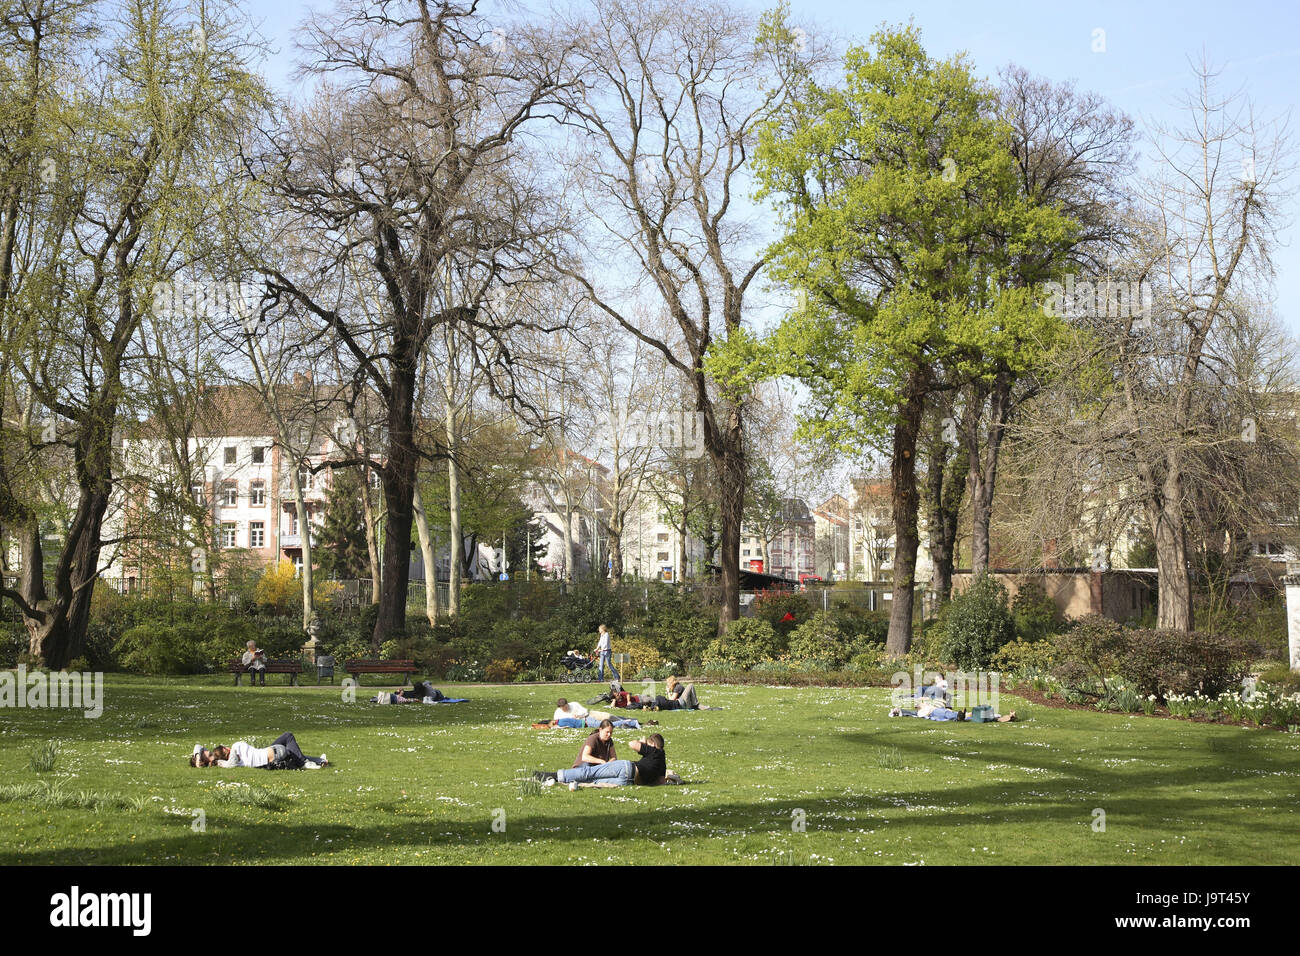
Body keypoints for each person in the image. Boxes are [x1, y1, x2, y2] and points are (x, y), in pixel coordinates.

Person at [534, 733, 668, 788]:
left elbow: (632, 744)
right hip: (629, 782)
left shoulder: (654, 751)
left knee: (591, 773)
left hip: (626, 768)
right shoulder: (662, 760)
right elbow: (661, 781)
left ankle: (553, 776)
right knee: (594, 782)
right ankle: (566, 781)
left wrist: (642, 744)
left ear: (654, 745)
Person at [190, 733, 328, 770]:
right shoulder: (235, 747)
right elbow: (197, 746)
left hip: (266, 753)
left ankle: (318, 760)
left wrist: (198, 758)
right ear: (226, 749)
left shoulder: (225, 762)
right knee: (288, 736)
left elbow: (197, 747)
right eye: (207, 752)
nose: (206, 750)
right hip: (272, 754)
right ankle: (306, 762)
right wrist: (199, 758)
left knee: (290, 747)